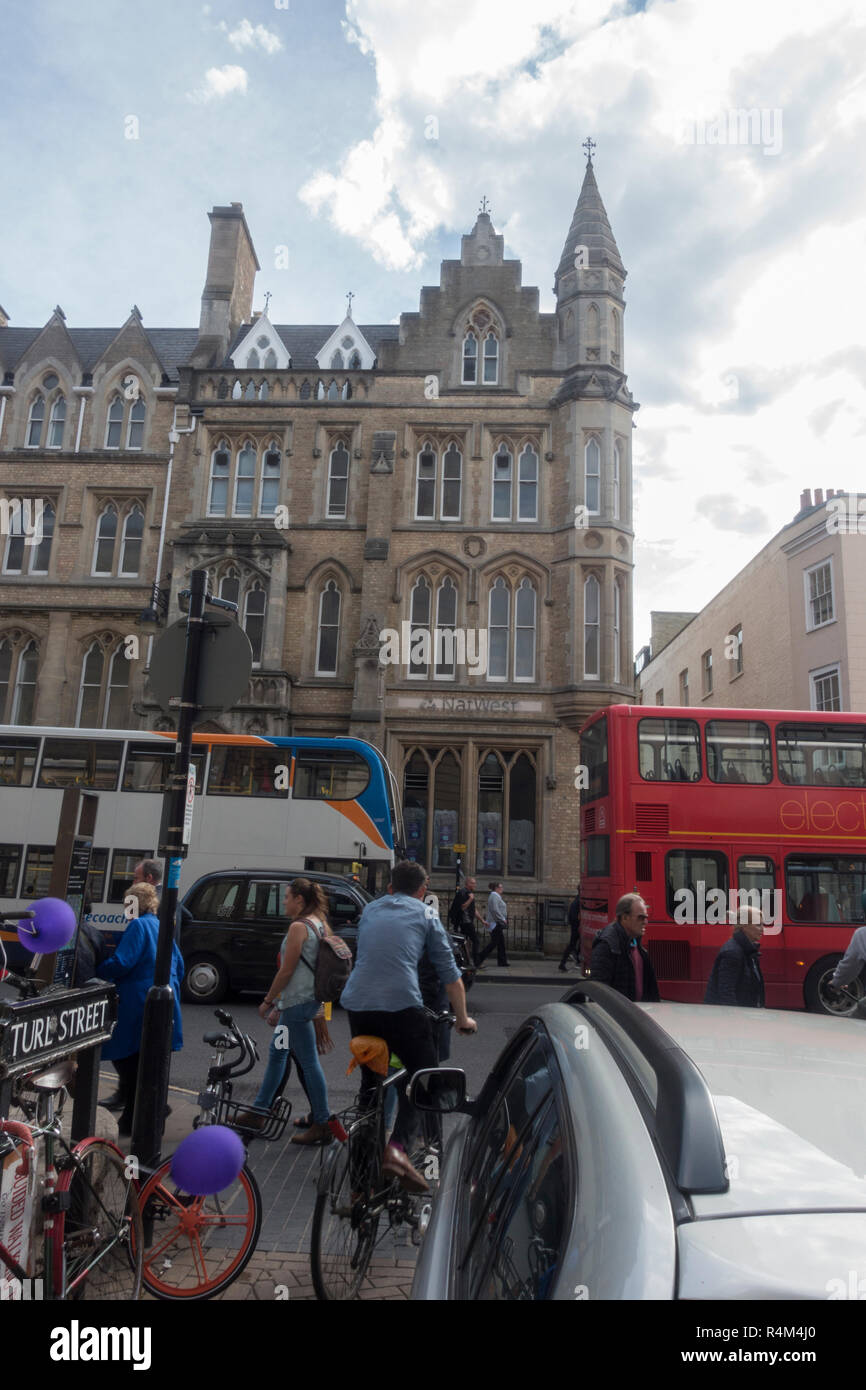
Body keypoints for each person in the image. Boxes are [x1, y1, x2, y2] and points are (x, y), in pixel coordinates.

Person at [340, 860, 476, 1193]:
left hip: (358, 1005)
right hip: (401, 1006)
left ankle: (359, 1185)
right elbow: (451, 976)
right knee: (425, 1080)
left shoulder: (371, 910)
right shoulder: (425, 914)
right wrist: (463, 1019)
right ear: (423, 889)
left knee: (370, 1089)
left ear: (390, 887)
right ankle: (397, 1151)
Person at [251, 878, 334, 1146]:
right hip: (299, 1004)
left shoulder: (300, 927)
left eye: (287, 897)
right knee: (278, 1053)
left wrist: (268, 1000)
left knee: (308, 1063)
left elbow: (287, 970)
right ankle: (259, 1111)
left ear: (299, 899)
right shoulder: (318, 922)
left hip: (298, 1006)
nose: (284, 902)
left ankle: (322, 1122)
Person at [97, 881, 184, 1134]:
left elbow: (123, 962)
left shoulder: (138, 925)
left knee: (127, 1058)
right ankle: (145, 1113)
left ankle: (134, 1118)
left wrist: (98, 970)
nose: (125, 908)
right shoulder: (160, 926)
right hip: (164, 1001)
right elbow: (178, 964)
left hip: (138, 1002)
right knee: (146, 1061)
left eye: (127, 903)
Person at [590, 893, 660, 1002]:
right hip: (617, 1017)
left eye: (646, 918)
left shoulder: (637, 945)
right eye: (640, 917)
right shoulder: (607, 945)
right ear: (625, 917)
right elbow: (597, 994)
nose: (645, 922)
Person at [704, 907, 766, 1007]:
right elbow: (726, 993)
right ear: (744, 926)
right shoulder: (732, 953)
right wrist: (736, 1019)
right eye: (758, 925)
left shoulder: (750, 950)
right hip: (733, 1018)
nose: (763, 929)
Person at [449, 877, 482, 966]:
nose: (474, 885)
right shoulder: (463, 893)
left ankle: (465, 961)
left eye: (475, 883)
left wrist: (482, 920)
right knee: (476, 940)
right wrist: (470, 899)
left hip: (466, 921)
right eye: (472, 883)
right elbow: (462, 907)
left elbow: (473, 909)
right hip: (465, 922)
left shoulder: (469, 893)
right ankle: (476, 963)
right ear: (467, 884)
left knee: (464, 942)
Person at [478, 881, 509, 968]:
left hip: (496, 923)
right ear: (496, 888)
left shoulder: (496, 896)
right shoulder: (494, 896)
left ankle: (502, 961)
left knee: (500, 943)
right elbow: (495, 910)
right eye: (500, 887)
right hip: (495, 923)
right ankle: (479, 958)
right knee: (494, 943)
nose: (502, 889)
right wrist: (502, 919)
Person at [558, 888, 581, 972]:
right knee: (573, 944)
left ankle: (576, 958)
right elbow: (576, 916)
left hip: (575, 926)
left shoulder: (576, 900)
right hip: (577, 927)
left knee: (576, 944)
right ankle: (565, 962)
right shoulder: (579, 901)